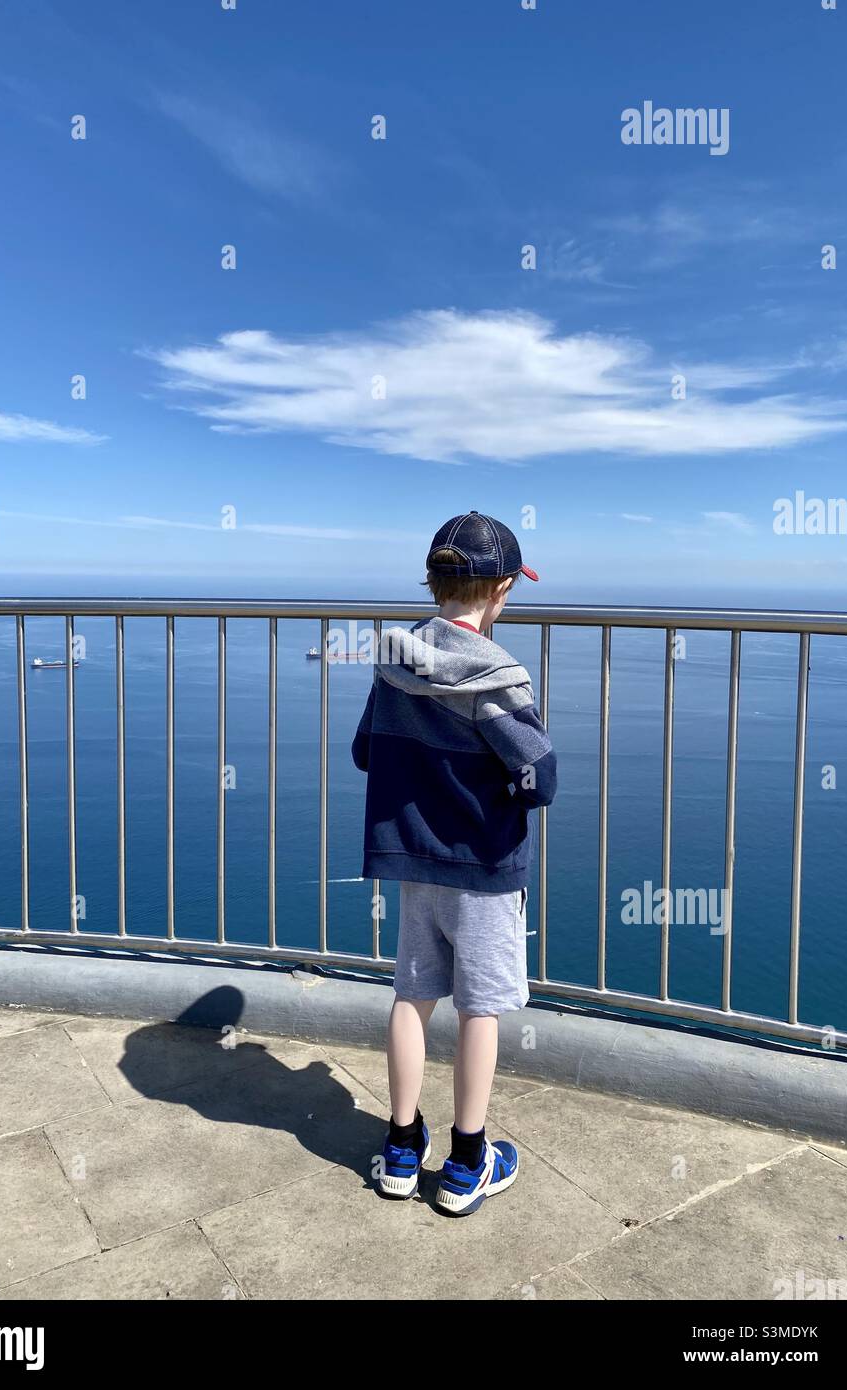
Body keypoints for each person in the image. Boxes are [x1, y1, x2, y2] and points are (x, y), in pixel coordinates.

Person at [352, 511, 557, 1216]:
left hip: (415, 863)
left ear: (433, 583)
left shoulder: (395, 663)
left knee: (412, 996)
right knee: (479, 1010)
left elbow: (364, 751)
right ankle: (468, 1161)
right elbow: (539, 778)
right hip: (483, 867)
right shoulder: (497, 677)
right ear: (500, 588)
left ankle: (402, 1150)